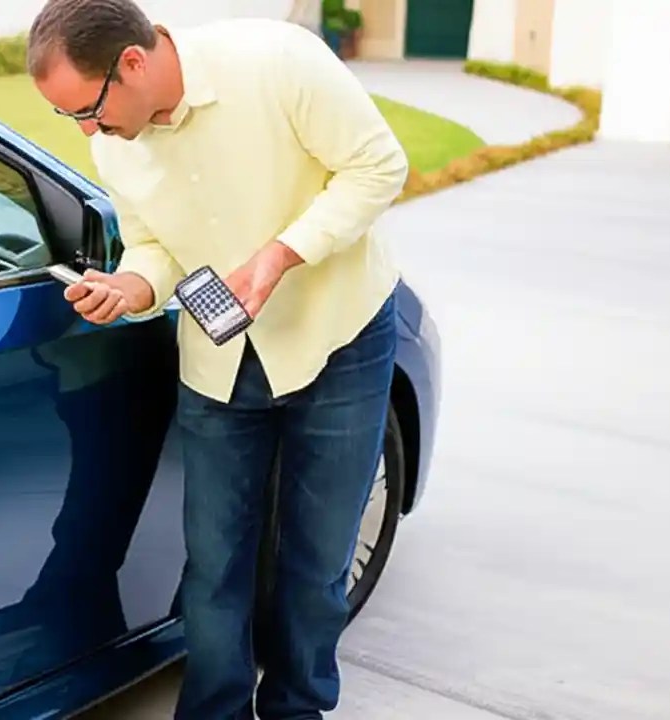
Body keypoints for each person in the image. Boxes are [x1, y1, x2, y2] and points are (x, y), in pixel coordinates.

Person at [25, 1, 408, 718]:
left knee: (317, 564)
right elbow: (155, 246)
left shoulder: (278, 61)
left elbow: (378, 166)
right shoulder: (116, 139)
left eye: (87, 109)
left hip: (339, 337)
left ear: (132, 63)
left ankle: (297, 708)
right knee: (212, 569)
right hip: (219, 358)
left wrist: (279, 256)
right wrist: (130, 284)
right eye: (68, 117)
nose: (86, 132)